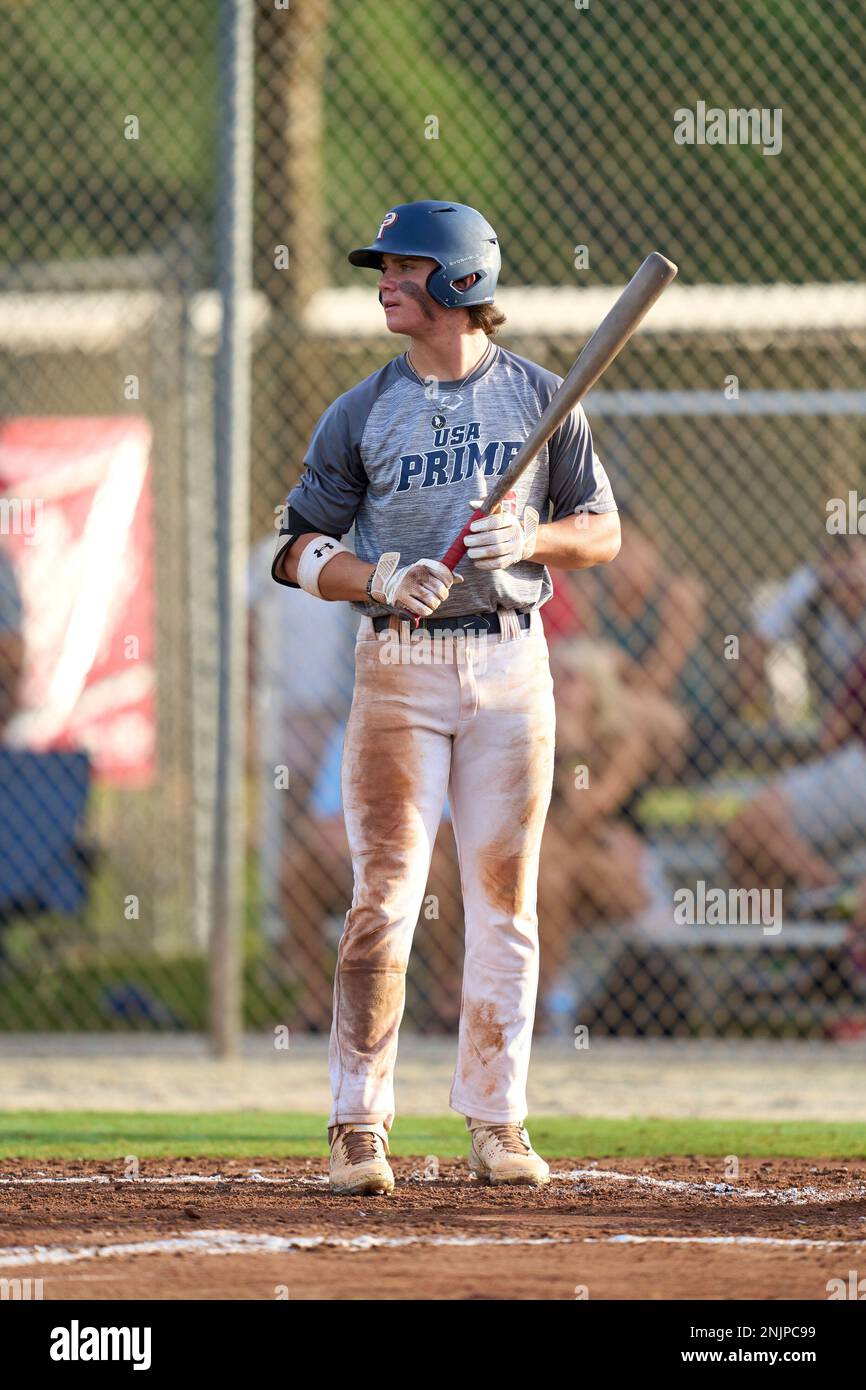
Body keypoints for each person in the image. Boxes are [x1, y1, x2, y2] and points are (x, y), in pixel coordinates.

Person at [272, 200, 620, 1195]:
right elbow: (294, 550)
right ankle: (356, 1125)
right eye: (381, 266)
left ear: (461, 279)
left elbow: (600, 529)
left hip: (511, 665)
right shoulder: (360, 409)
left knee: (502, 900)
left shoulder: (544, 399)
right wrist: (380, 577)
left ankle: (496, 1123)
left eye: (403, 265)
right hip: (399, 667)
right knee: (383, 894)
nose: (384, 280)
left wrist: (531, 539)